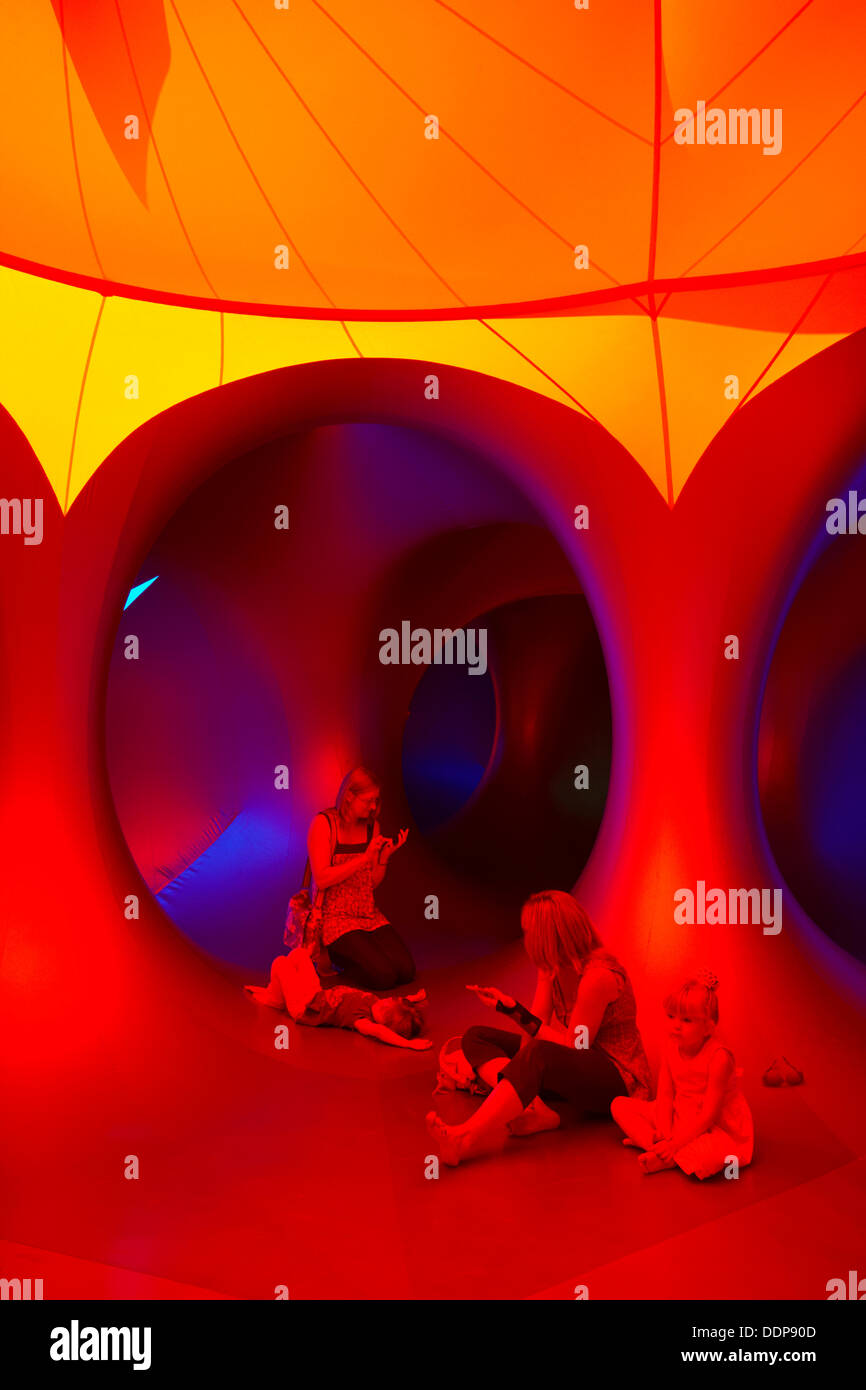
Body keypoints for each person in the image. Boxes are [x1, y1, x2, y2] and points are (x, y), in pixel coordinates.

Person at [426, 890, 651, 1166]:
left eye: (529, 932)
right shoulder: (553, 968)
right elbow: (535, 1024)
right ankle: (535, 1110)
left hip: (617, 1080)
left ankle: (465, 1137)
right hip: (580, 1070)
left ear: (547, 936)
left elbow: (573, 1046)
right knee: (476, 1036)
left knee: (540, 1053)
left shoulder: (597, 977)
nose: (526, 940)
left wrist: (513, 1011)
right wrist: (513, 1018)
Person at [611, 970, 753, 1178]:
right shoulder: (670, 1047)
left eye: (687, 1020)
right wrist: (665, 1134)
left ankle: (666, 1156)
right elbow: (666, 1095)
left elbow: (709, 1115)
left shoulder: (719, 1058)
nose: (676, 1026)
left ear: (708, 1028)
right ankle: (659, 1148)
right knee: (619, 1106)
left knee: (709, 1155)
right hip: (679, 1113)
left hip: (711, 1126)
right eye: (671, 1016)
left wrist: (676, 1143)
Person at [307, 766, 415, 990]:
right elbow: (322, 878)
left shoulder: (372, 827)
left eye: (376, 800)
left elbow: (371, 883)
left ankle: (363, 957)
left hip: (367, 914)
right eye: (368, 800)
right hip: (335, 919)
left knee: (406, 971)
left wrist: (383, 858)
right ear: (349, 796)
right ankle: (333, 958)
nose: (374, 806)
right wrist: (364, 858)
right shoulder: (324, 824)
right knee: (383, 976)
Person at [245, 946, 430, 1050]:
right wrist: (414, 998)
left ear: (381, 1023)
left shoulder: (361, 1020)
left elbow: (381, 1033)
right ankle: (276, 996)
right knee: (299, 953)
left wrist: (409, 1044)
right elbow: (398, 1001)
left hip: (304, 1008)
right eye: (387, 1001)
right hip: (315, 993)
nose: (383, 1001)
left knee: (281, 962)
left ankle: (273, 999)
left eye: (384, 1009)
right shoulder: (377, 1001)